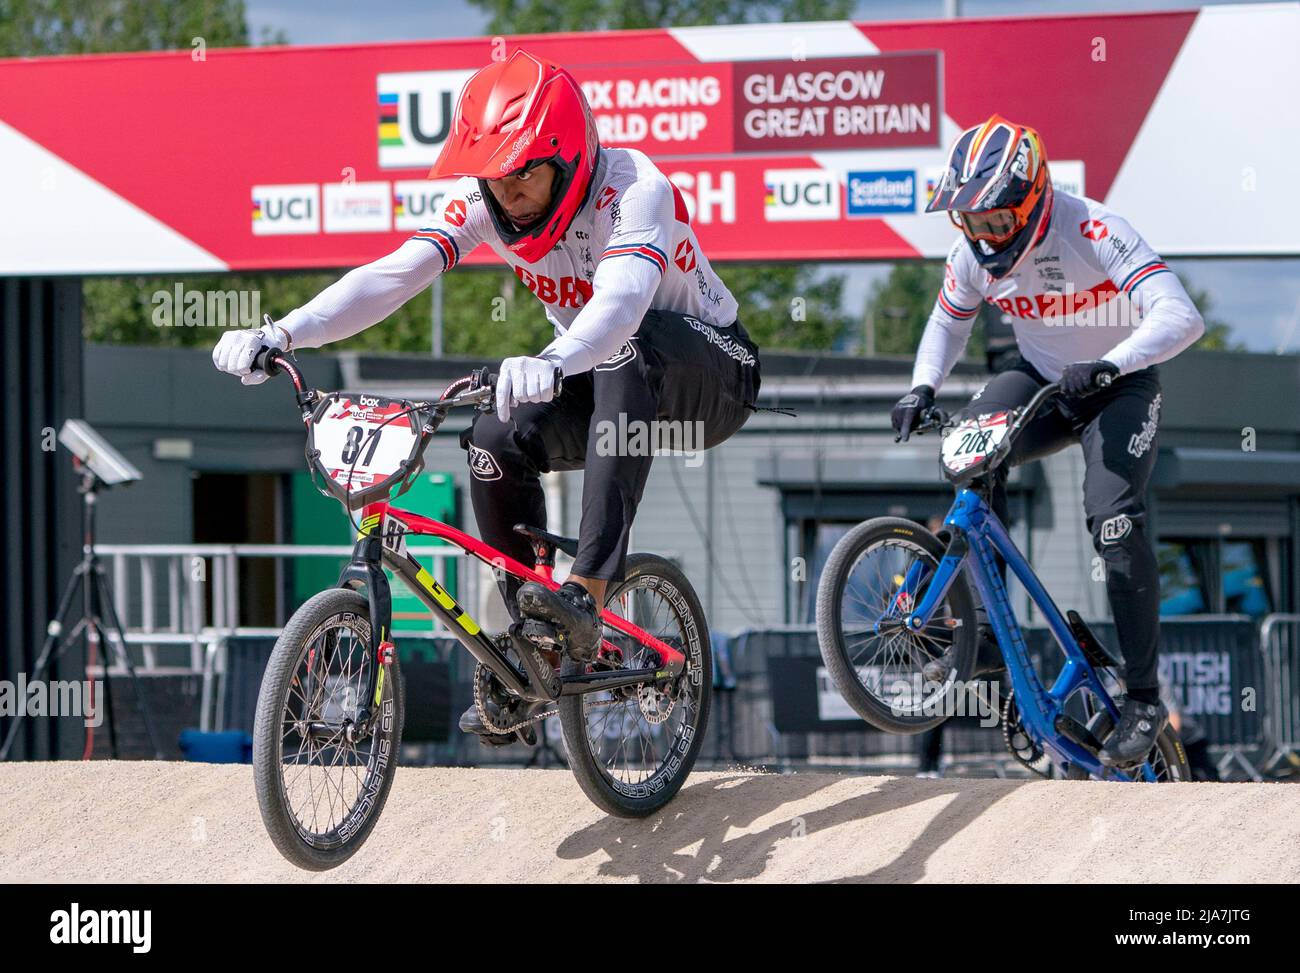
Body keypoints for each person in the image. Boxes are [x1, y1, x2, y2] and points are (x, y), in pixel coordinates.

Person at [213, 50, 761, 742]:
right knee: (493, 434)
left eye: (525, 175)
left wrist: (554, 358)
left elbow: (621, 304)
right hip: (603, 378)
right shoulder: (487, 201)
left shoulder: (635, 189)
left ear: (572, 160)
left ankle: (586, 593)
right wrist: (284, 332)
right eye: (495, 180)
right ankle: (532, 642)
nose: (509, 197)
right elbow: (394, 275)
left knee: (626, 344)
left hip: (716, 373)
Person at [891, 114, 1204, 767]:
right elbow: (946, 326)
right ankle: (979, 613)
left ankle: (1144, 698)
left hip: (1118, 384)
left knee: (1114, 525)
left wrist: (1114, 362)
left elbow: (1181, 313)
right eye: (971, 224)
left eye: (995, 222)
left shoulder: (1092, 228)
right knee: (963, 457)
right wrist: (921, 387)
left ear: (1031, 201)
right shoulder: (970, 255)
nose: (983, 237)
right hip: (1041, 381)